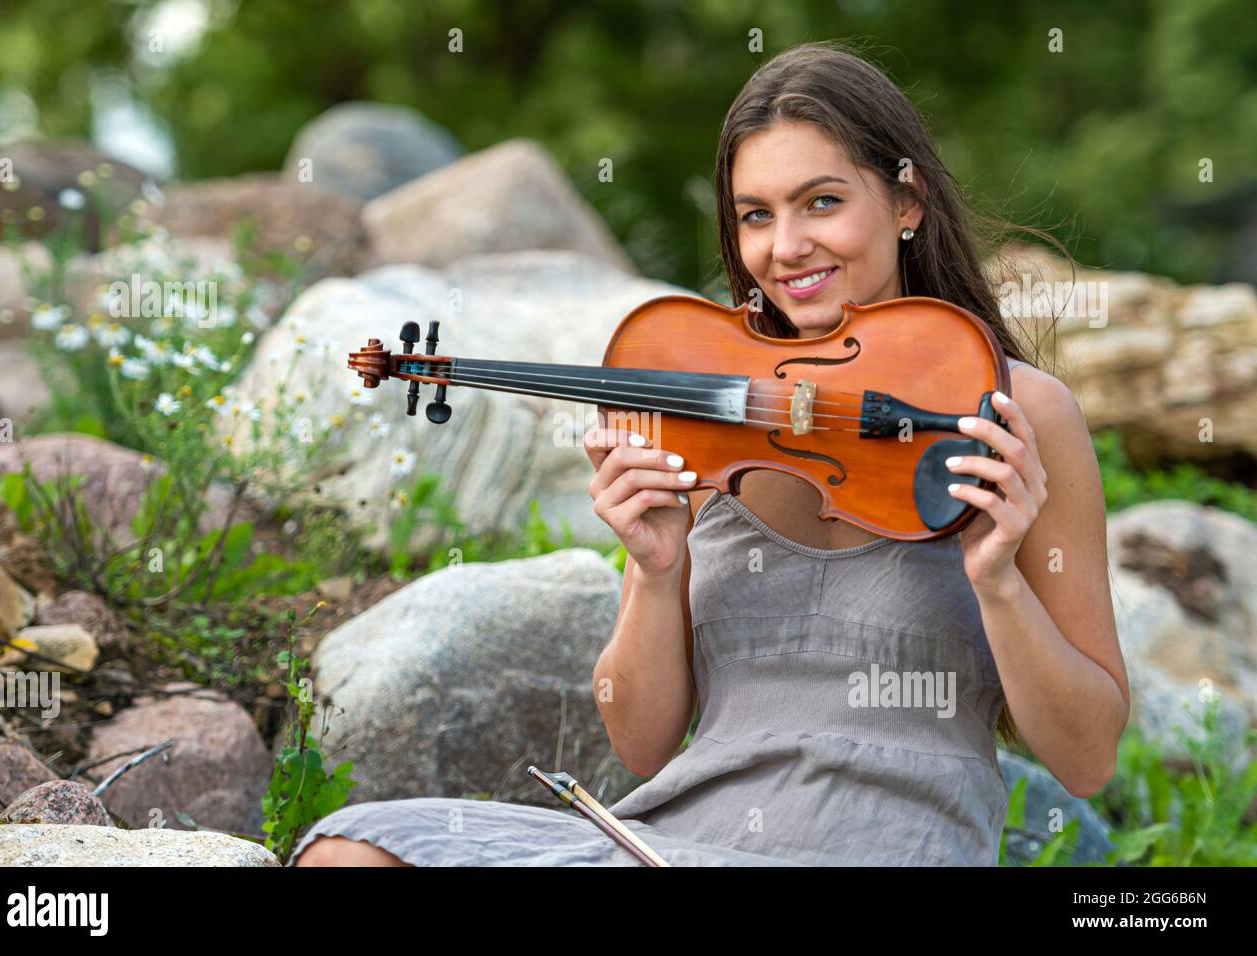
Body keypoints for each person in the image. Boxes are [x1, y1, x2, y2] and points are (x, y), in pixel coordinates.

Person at [292, 40, 1128, 867]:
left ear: (906, 201)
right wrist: (655, 572)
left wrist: (999, 582)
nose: (786, 247)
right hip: (681, 837)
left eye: (822, 202)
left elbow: (1086, 759)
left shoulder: (1016, 413)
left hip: (891, 844)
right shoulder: (705, 402)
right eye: (756, 215)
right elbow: (643, 743)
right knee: (349, 854)